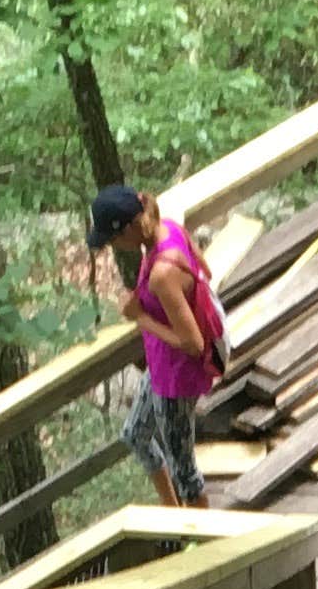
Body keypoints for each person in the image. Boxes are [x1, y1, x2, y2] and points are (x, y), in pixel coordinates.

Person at [89, 181, 224, 510]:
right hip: (161, 368)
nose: (114, 247)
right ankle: (171, 515)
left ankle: (202, 546)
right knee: (135, 434)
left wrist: (141, 317)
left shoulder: (162, 273)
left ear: (130, 230)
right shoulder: (171, 230)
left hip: (177, 379)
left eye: (113, 240)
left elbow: (192, 344)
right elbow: (204, 270)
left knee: (185, 473)